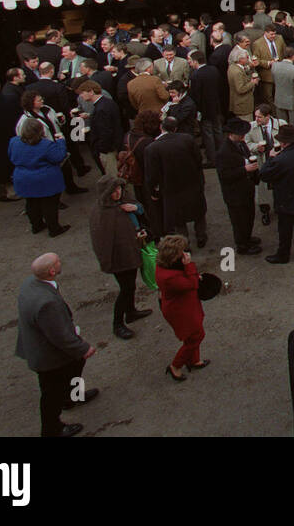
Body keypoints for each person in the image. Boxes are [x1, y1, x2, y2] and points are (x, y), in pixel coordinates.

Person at [15, 252, 97, 436]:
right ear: (52, 271)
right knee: (51, 394)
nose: (61, 262)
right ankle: (52, 429)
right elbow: (59, 335)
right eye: (58, 261)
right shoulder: (47, 303)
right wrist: (83, 348)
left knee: (76, 364)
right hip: (48, 357)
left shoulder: (31, 283)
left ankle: (72, 396)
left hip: (43, 347)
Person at [88, 175, 152, 340]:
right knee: (126, 289)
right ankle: (118, 323)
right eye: (114, 190)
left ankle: (130, 311)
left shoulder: (123, 201)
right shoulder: (103, 214)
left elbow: (139, 210)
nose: (118, 192)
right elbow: (103, 241)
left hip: (131, 251)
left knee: (130, 286)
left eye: (119, 189)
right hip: (119, 258)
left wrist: (135, 209)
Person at [145, 117, 208, 247]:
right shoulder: (188, 139)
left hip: (171, 189)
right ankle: (201, 236)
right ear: (175, 128)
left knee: (178, 220)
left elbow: (152, 175)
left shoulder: (152, 148)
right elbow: (198, 159)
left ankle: (184, 244)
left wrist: (153, 192)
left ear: (161, 128)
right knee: (198, 213)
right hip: (192, 184)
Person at [260, 123, 294, 263]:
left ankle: (283, 255)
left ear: (283, 143)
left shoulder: (280, 160)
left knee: (285, 230)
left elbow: (264, 175)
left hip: (285, 200)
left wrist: (270, 157)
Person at [155, 234, 207, 381]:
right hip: (181, 311)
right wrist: (190, 266)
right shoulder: (170, 277)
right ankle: (175, 366)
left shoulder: (164, 266)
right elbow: (192, 284)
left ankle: (194, 360)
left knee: (193, 333)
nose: (185, 254)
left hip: (185, 306)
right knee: (196, 336)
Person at [11, 118, 70, 237]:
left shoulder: (14, 142)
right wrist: (61, 142)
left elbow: (11, 156)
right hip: (45, 180)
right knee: (49, 205)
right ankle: (54, 229)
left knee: (31, 203)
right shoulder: (46, 145)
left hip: (23, 178)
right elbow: (58, 157)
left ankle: (36, 226)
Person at [214, 117, 263, 255]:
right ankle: (242, 245)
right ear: (231, 134)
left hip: (246, 187)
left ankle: (247, 237)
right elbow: (224, 175)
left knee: (249, 215)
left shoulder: (240, 144)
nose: (243, 136)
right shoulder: (223, 152)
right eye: (240, 134)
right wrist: (245, 170)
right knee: (239, 220)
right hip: (235, 193)